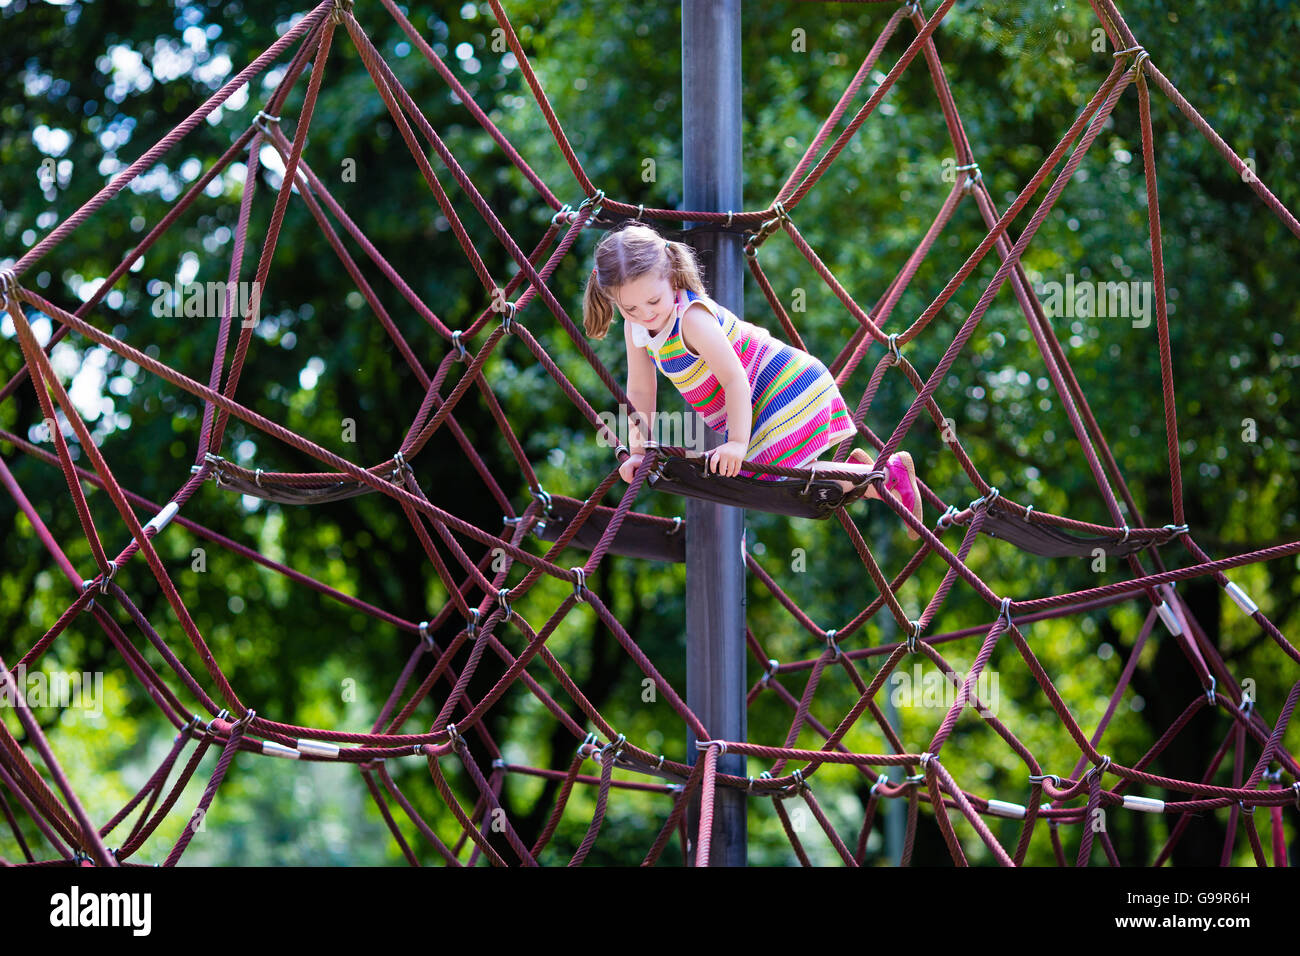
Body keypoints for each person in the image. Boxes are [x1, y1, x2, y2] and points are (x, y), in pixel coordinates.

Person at [582, 223, 924, 539]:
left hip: (783, 384)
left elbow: (734, 378)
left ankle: (885, 473)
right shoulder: (638, 328)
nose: (645, 313)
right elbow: (641, 389)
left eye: (653, 301)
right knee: (770, 487)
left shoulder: (692, 319)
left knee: (769, 481)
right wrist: (640, 450)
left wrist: (735, 443)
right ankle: (865, 478)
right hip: (759, 401)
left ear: (671, 277)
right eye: (630, 308)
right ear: (612, 299)